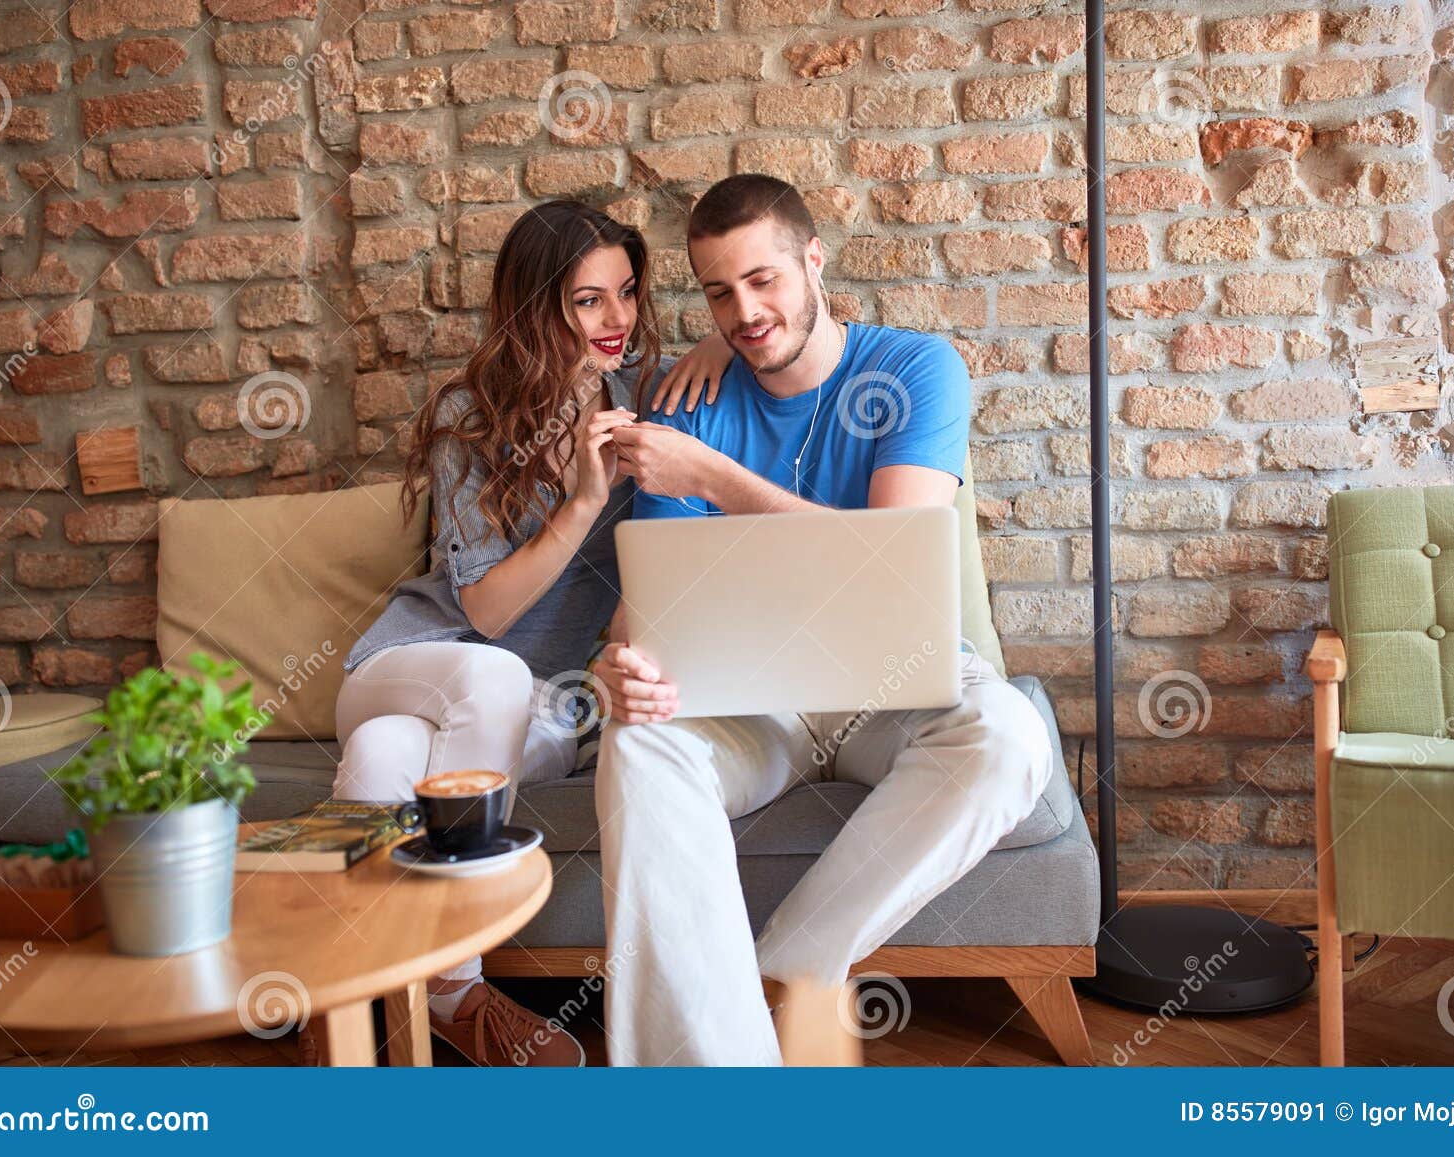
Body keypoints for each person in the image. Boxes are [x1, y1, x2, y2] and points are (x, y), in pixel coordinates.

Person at [591, 174, 1056, 1065]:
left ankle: (783, 971)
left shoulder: (916, 369)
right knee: (637, 741)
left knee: (1010, 733)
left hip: (895, 684)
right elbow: (654, 601)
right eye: (720, 292)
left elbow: (888, 564)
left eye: (763, 279)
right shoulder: (694, 403)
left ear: (814, 261)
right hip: (752, 699)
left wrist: (713, 479)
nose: (745, 311)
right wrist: (624, 663)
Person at [332, 199, 731, 1066]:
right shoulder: (469, 420)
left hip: (549, 705)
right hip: (411, 661)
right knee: (491, 681)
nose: (618, 319)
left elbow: (774, 340)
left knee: (381, 759)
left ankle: (370, 1001)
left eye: (627, 294)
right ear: (535, 305)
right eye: (590, 301)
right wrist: (585, 500)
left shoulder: (653, 399)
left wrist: (717, 346)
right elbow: (486, 615)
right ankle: (462, 991)